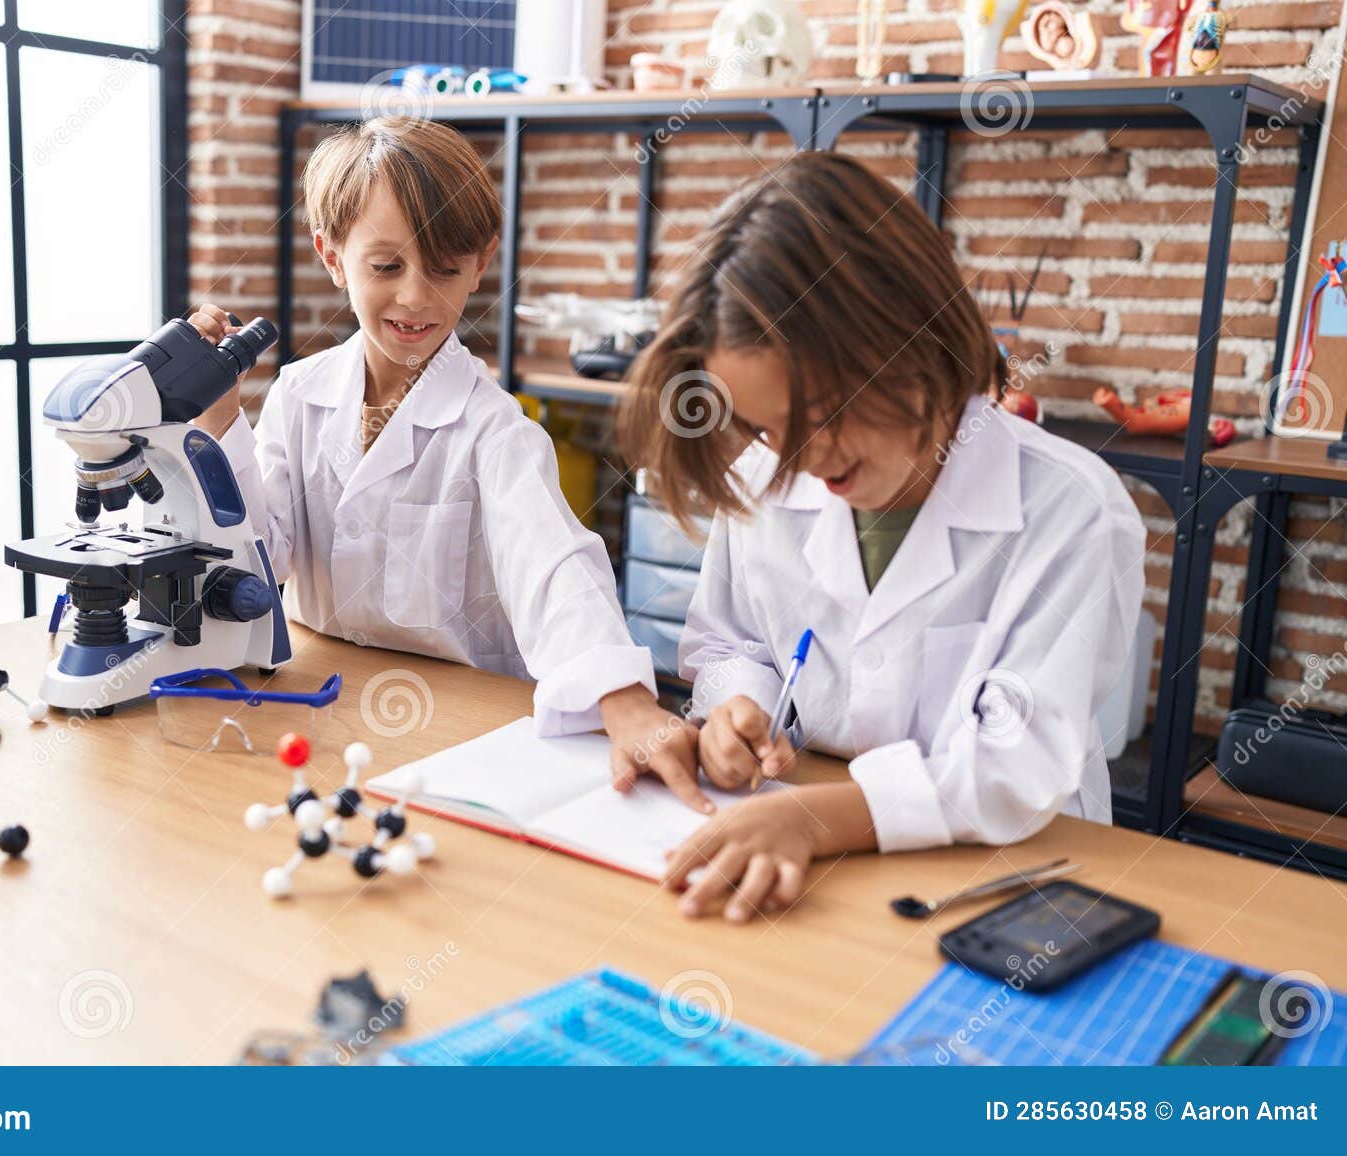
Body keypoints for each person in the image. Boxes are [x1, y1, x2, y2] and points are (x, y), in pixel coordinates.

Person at [614, 151, 1147, 920]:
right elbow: (732, 645)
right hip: (821, 863)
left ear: (915, 338)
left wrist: (812, 817)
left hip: (1007, 877)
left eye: (825, 412)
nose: (799, 458)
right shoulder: (769, 476)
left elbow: (1017, 765)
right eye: (768, 428)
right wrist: (741, 708)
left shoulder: (1070, 509)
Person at [189, 117, 683, 756]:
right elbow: (262, 558)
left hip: (455, 725)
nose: (416, 297)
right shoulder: (297, 395)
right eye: (387, 265)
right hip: (316, 701)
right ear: (332, 257)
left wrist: (627, 700)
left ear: (481, 265)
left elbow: (553, 566)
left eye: (445, 269)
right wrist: (220, 418)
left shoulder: (493, 428)